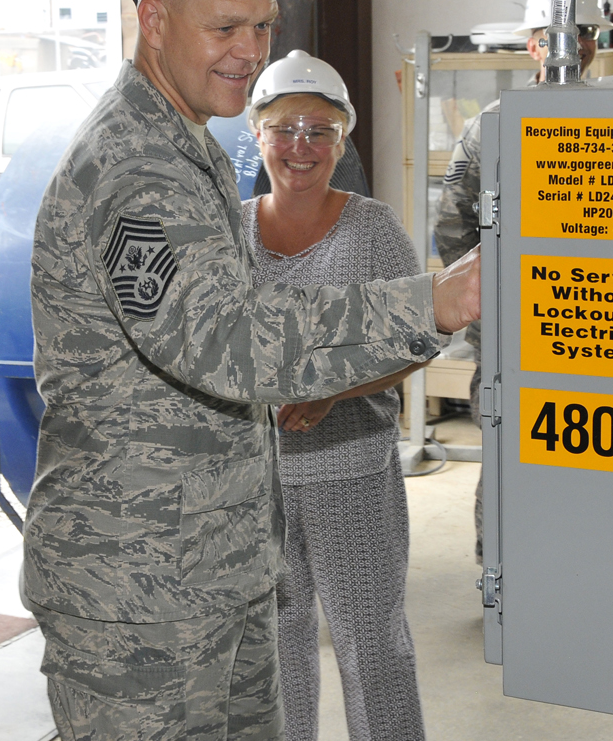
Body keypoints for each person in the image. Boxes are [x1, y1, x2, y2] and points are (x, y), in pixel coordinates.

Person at [26, 0, 480, 740]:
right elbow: (224, 340)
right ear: (152, 16)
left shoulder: (186, 144)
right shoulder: (133, 167)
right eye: (223, 26)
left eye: (262, 26)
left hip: (214, 571)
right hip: (138, 596)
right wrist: (437, 300)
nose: (247, 49)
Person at [242, 51, 427, 740]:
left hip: (353, 474)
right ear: (257, 135)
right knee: (276, 647)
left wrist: (336, 388)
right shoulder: (230, 231)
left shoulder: (371, 229)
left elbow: (418, 337)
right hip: (257, 481)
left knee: (371, 645)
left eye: (319, 130)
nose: (300, 146)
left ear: (341, 140)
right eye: (284, 128)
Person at [433, 0, 613, 562]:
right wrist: (484, 308)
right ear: (533, 44)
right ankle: (501, 566)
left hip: (595, 319)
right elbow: (455, 226)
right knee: (509, 442)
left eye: (585, 32)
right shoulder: (491, 126)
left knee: (591, 445)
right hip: (513, 327)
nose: (575, 44)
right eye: (559, 33)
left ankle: (579, 560)